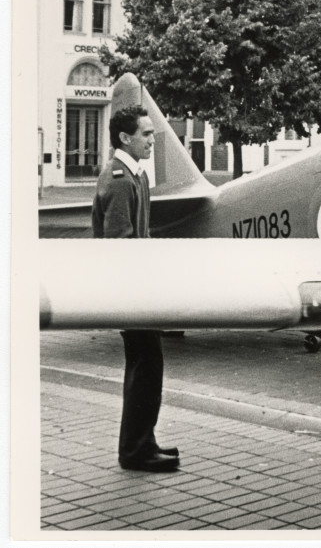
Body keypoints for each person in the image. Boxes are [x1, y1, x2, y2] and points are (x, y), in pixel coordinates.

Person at [91, 105, 179, 473]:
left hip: (139, 288)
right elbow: (120, 246)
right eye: (146, 133)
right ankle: (135, 451)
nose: (152, 139)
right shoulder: (119, 179)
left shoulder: (135, 175)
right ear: (125, 138)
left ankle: (144, 442)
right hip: (130, 292)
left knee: (146, 366)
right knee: (146, 365)